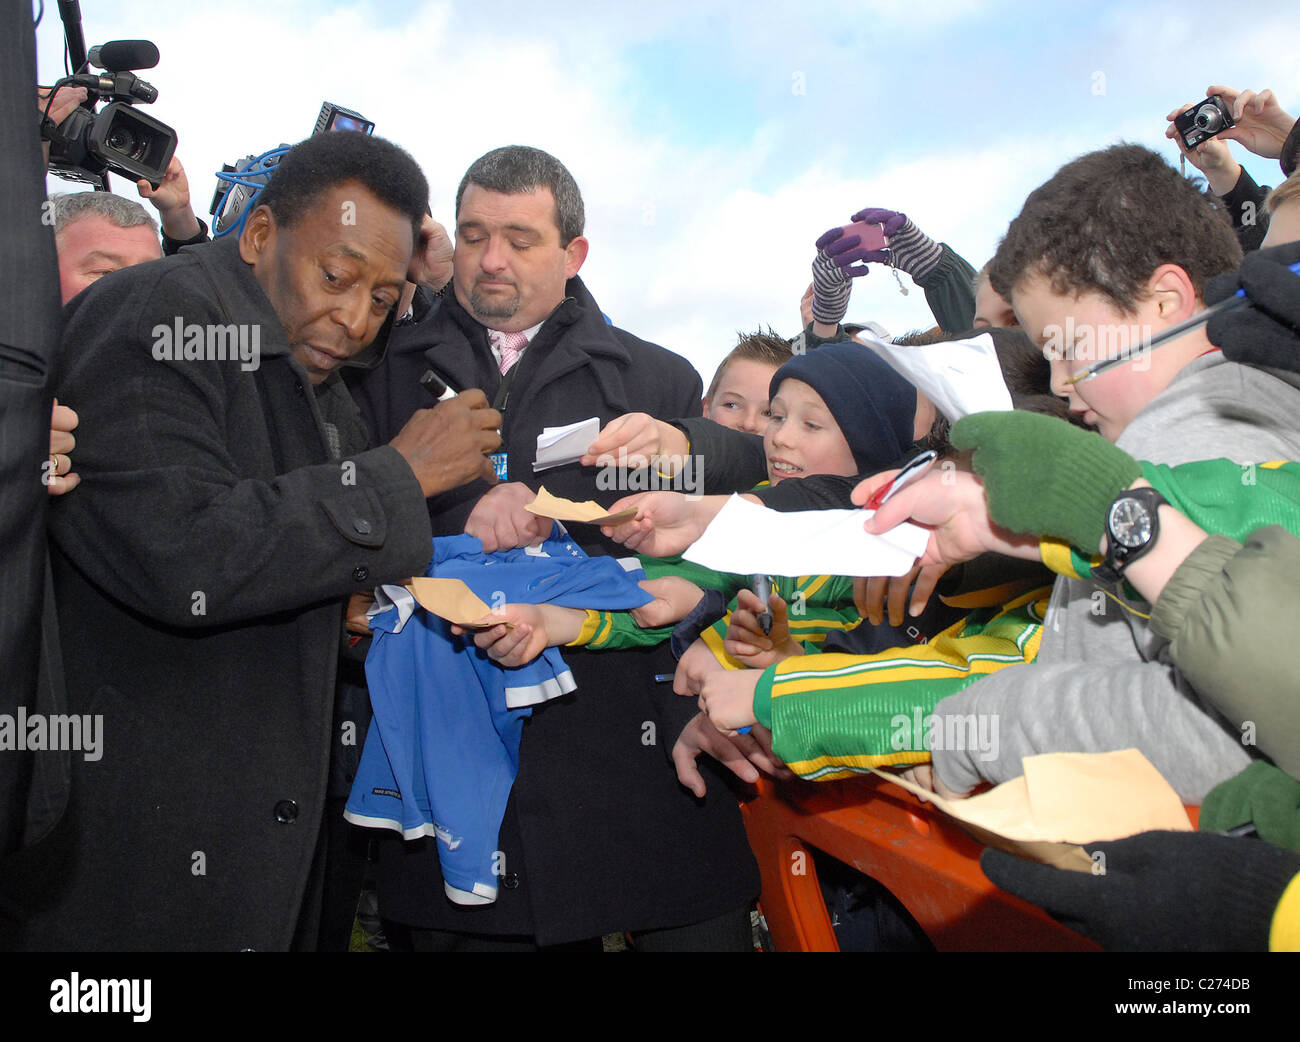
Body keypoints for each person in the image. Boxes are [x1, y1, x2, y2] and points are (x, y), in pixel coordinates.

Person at [0, 130, 502, 951]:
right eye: (335, 276)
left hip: (250, 860)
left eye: (382, 299)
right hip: (127, 869)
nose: (352, 318)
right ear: (262, 235)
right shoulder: (157, 310)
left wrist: (357, 615)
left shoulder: (316, 382)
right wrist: (400, 476)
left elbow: (277, 558)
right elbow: (178, 548)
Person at [347, 145, 759, 951]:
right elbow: (332, 525)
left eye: (520, 238)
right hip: (461, 768)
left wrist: (688, 442)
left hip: (640, 759)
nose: (491, 260)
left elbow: (766, 481)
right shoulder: (373, 372)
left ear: (574, 254)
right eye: (472, 235)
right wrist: (452, 519)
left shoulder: (655, 374)